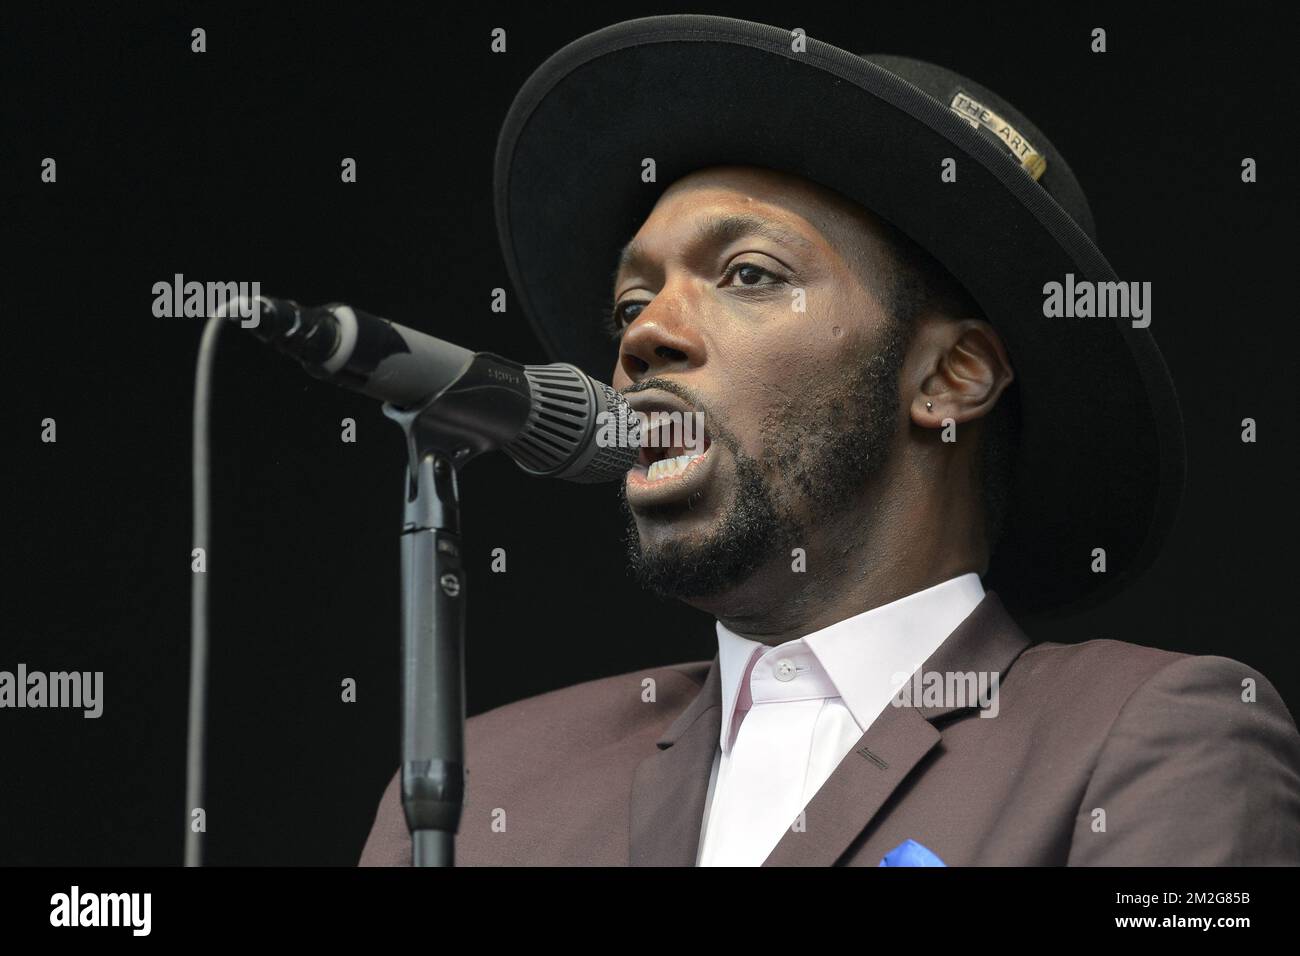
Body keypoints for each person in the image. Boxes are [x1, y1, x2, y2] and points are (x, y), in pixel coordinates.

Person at [359, 15, 1300, 866]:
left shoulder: (1150, 739)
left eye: (751, 275)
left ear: (949, 377)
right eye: (631, 306)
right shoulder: (477, 787)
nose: (643, 337)